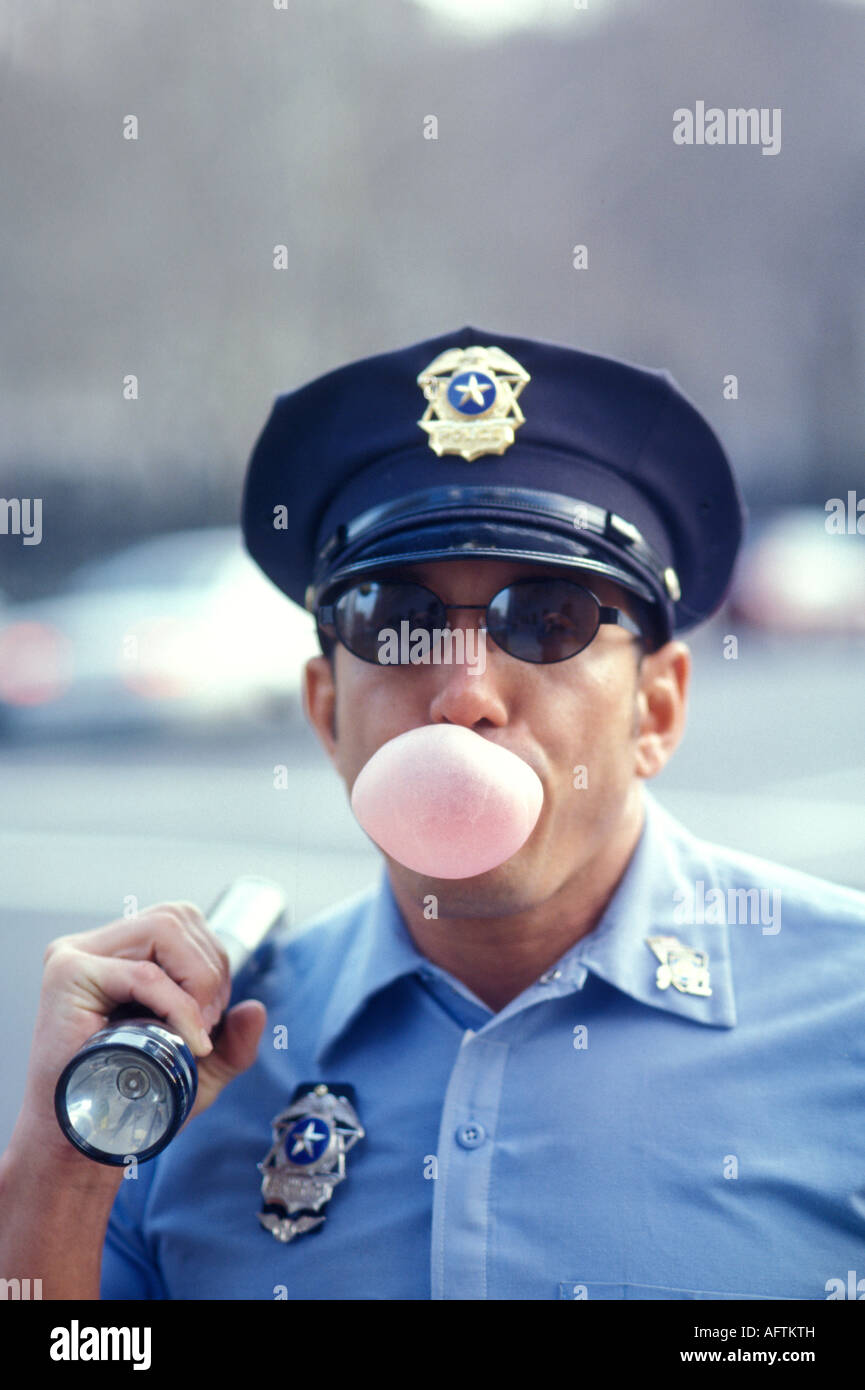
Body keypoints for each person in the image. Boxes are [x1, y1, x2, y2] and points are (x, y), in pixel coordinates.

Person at [2, 326, 863, 1301]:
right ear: (327, 710)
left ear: (654, 710)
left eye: (546, 619)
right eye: (392, 619)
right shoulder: (163, 1075)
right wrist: (67, 1154)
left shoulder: (847, 1016)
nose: (462, 693)